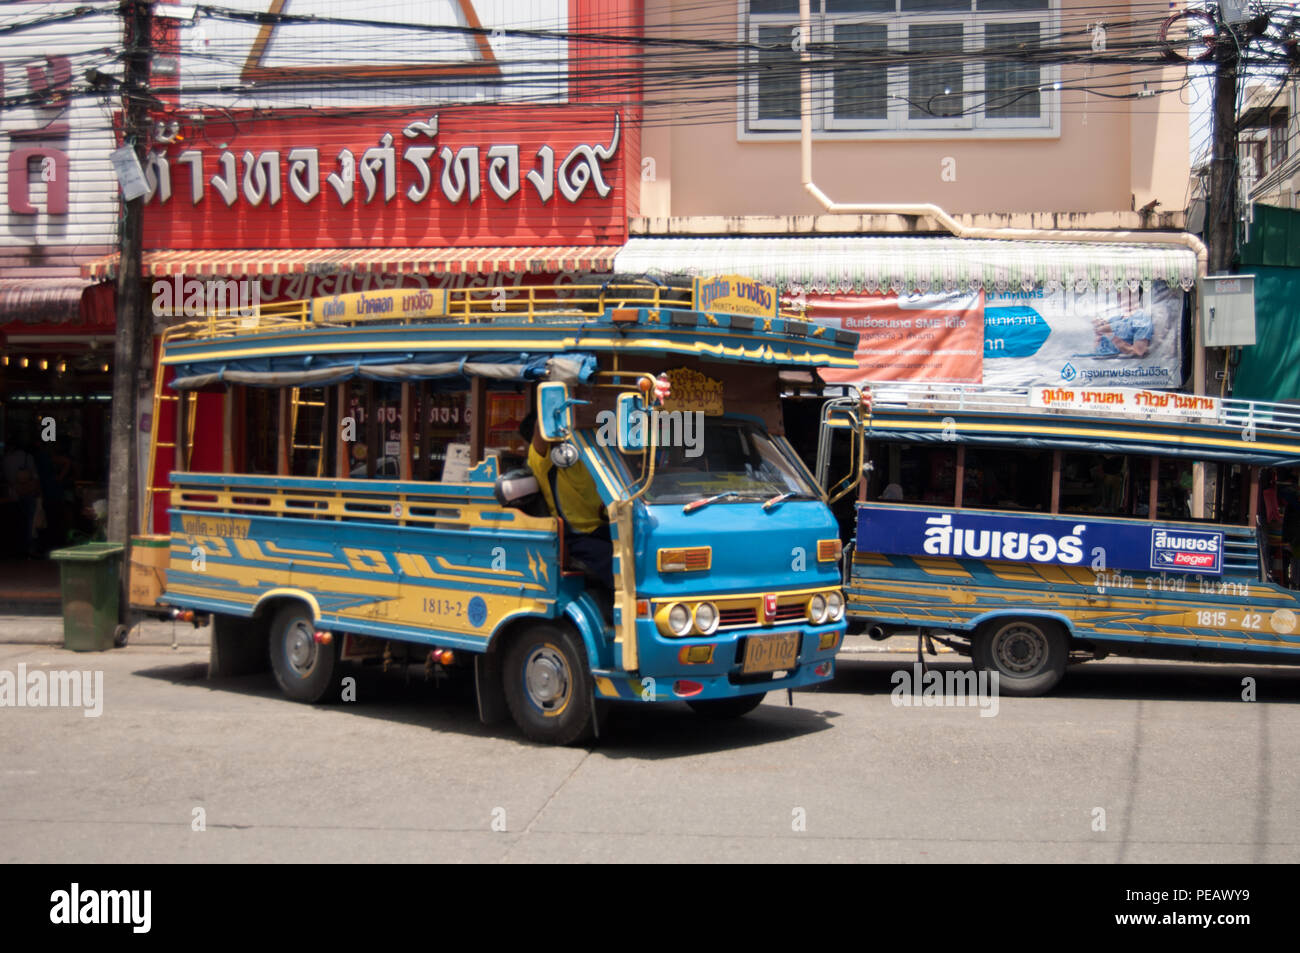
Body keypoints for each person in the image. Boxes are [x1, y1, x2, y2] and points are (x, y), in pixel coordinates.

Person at [520, 410, 613, 590]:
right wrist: (554, 400)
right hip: (579, 538)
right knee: (618, 562)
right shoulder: (542, 460)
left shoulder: (588, 450)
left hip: (610, 527)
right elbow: (540, 428)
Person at [3, 439, 41, 557]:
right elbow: (35, 475)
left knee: (14, 521)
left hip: (12, 493)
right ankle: (28, 547)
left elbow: (5, 476)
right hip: (26, 493)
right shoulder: (27, 457)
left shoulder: (6, 459)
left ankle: (15, 546)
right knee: (29, 520)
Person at [1093, 286, 1154, 358]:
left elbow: (1138, 352)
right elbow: (1097, 345)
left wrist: (1110, 335)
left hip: (1121, 365)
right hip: (1100, 362)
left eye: (1124, 294)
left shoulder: (1142, 320)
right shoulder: (1114, 319)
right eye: (1119, 294)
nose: (1119, 297)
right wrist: (1098, 332)